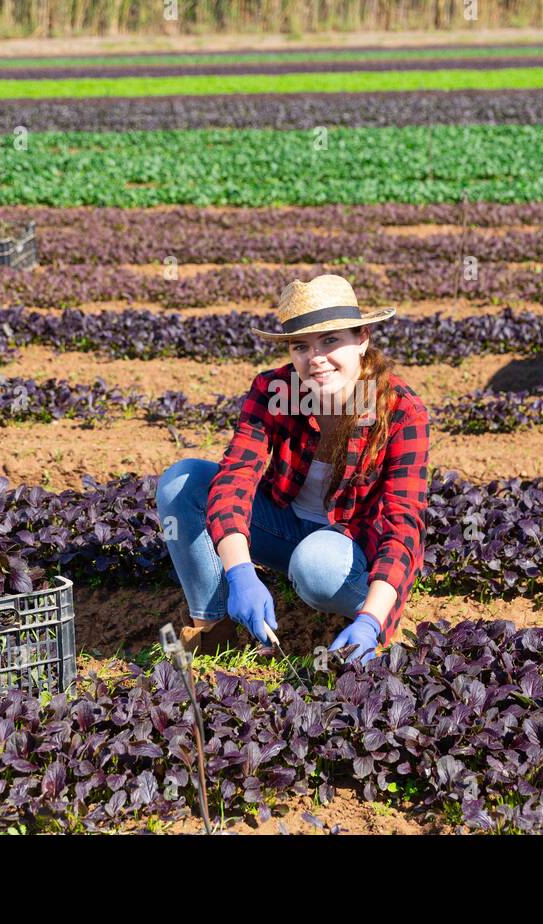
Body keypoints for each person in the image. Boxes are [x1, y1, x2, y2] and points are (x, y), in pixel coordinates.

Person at [156, 274, 430, 664]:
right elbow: (235, 478)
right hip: (283, 530)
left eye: (331, 340)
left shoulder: (402, 411)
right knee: (183, 482)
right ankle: (211, 631)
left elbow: (405, 527)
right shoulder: (273, 391)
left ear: (363, 338)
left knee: (315, 564)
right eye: (301, 346)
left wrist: (372, 620)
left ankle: (374, 618)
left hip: (348, 549)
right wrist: (239, 574)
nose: (315, 358)